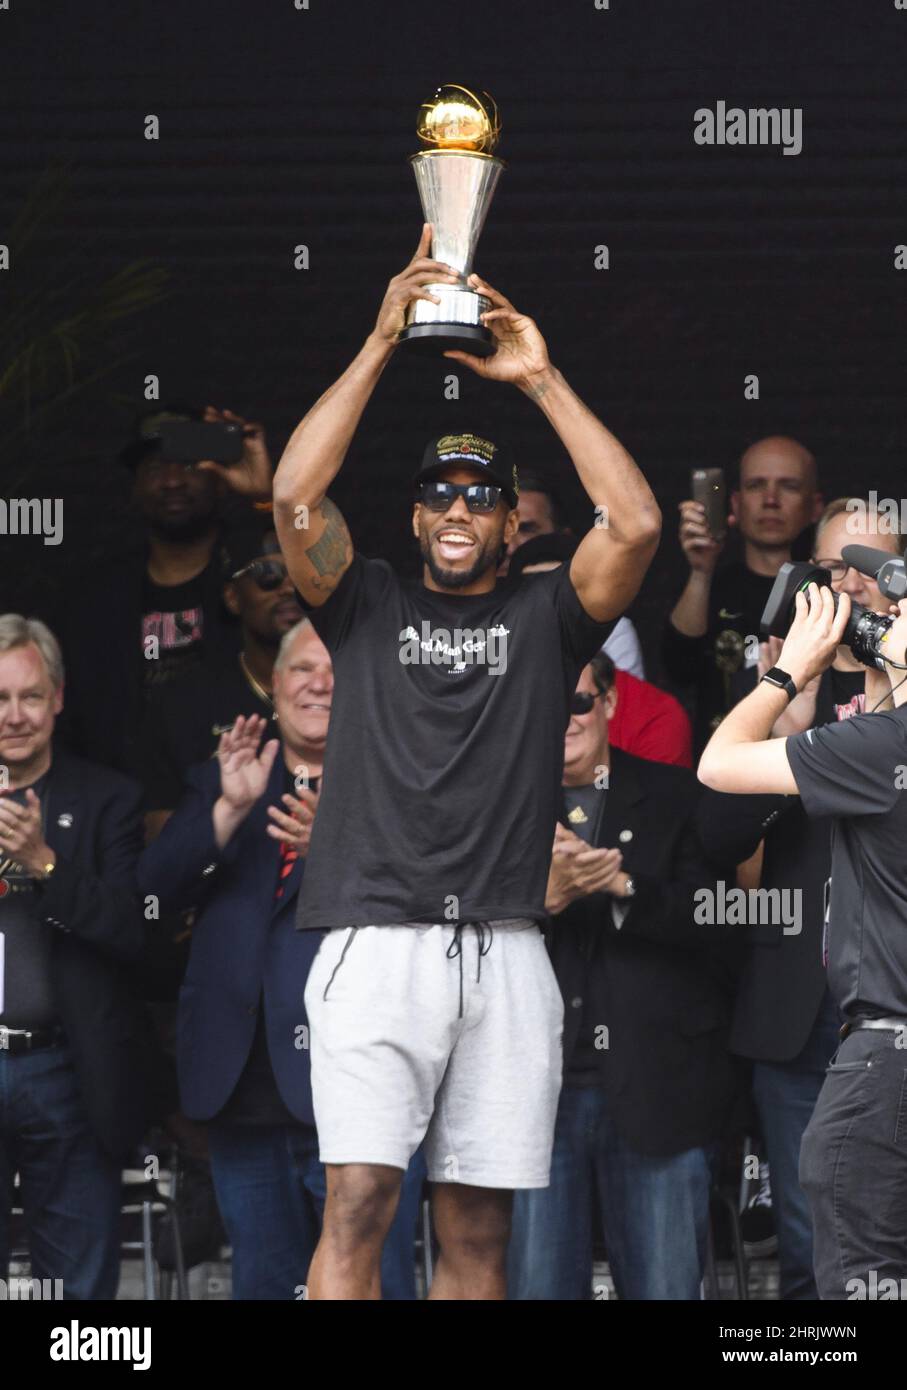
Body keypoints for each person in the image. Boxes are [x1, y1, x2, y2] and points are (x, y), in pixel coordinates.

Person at [271, 224, 661, 1300]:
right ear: (412, 515)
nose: (456, 508)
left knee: (479, 1232)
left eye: (479, 497)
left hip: (503, 948)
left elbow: (631, 521)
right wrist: (381, 337)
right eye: (439, 493)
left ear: (509, 527)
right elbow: (295, 499)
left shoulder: (548, 615)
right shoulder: (364, 601)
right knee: (356, 1205)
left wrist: (539, 379)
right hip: (376, 938)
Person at [138, 616, 425, 1299]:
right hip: (246, 1089)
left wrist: (341, 843)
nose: (319, 683)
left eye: (335, 670)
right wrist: (226, 813)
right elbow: (148, 895)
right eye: (302, 669)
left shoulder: (401, 781)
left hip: (362, 1093)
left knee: (368, 1286)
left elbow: (432, 910)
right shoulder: (229, 775)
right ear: (272, 684)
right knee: (264, 1285)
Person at [696, 498, 903, 1298]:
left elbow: (720, 763)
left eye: (872, 568)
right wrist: (795, 707)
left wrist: (784, 681)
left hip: (880, 1023)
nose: (848, 585)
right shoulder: (837, 710)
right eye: (830, 569)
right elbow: (715, 838)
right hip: (807, 1005)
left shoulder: (881, 726)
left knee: (854, 1259)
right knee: (810, 1244)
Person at [507, 652, 739, 1299]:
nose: (564, 719)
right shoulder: (499, 804)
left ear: (608, 702)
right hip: (534, 1095)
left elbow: (721, 919)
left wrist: (622, 886)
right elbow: (454, 928)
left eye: (578, 702)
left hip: (659, 1085)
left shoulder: (675, 793)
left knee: (665, 1289)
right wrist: (540, 898)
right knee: (536, 1289)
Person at [0, 616, 150, 1298]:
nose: (14, 716)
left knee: (80, 1294)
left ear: (58, 698)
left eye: (30, 696)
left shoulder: (108, 800)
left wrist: (44, 863)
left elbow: (132, 929)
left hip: (66, 1069)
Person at [57, 405, 273, 774]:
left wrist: (265, 497)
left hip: (237, 786)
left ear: (219, 480)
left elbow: (312, 588)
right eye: (156, 469)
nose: (173, 481)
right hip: (119, 802)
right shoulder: (95, 599)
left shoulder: (253, 584)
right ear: (135, 486)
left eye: (189, 466)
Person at [137, 517, 303, 838]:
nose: (289, 588)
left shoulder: (349, 688)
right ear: (233, 597)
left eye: (301, 573)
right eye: (267, 575)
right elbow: (161, 837)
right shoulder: (183, 704)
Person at [662, 436, 823, 753]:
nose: (771, 499)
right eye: (756, 485)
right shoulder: (712, 588)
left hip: (808, 772)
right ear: (734, 503)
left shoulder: (828, 596)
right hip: (723, 777)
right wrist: (700, 571)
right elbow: (679, 667)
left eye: (788, 486)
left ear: (815, 506)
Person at [510, 535, 692, 766]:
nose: (549, 610)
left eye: (565, 594)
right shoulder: (483, 697)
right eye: (532, 595)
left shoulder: (654, 714)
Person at [498, 473, 645, 677]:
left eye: (526, 529)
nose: (511, 546)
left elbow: (623, 707)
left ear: (562, 536)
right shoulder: (467, 620)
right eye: (502, 531)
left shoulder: (609, 628)